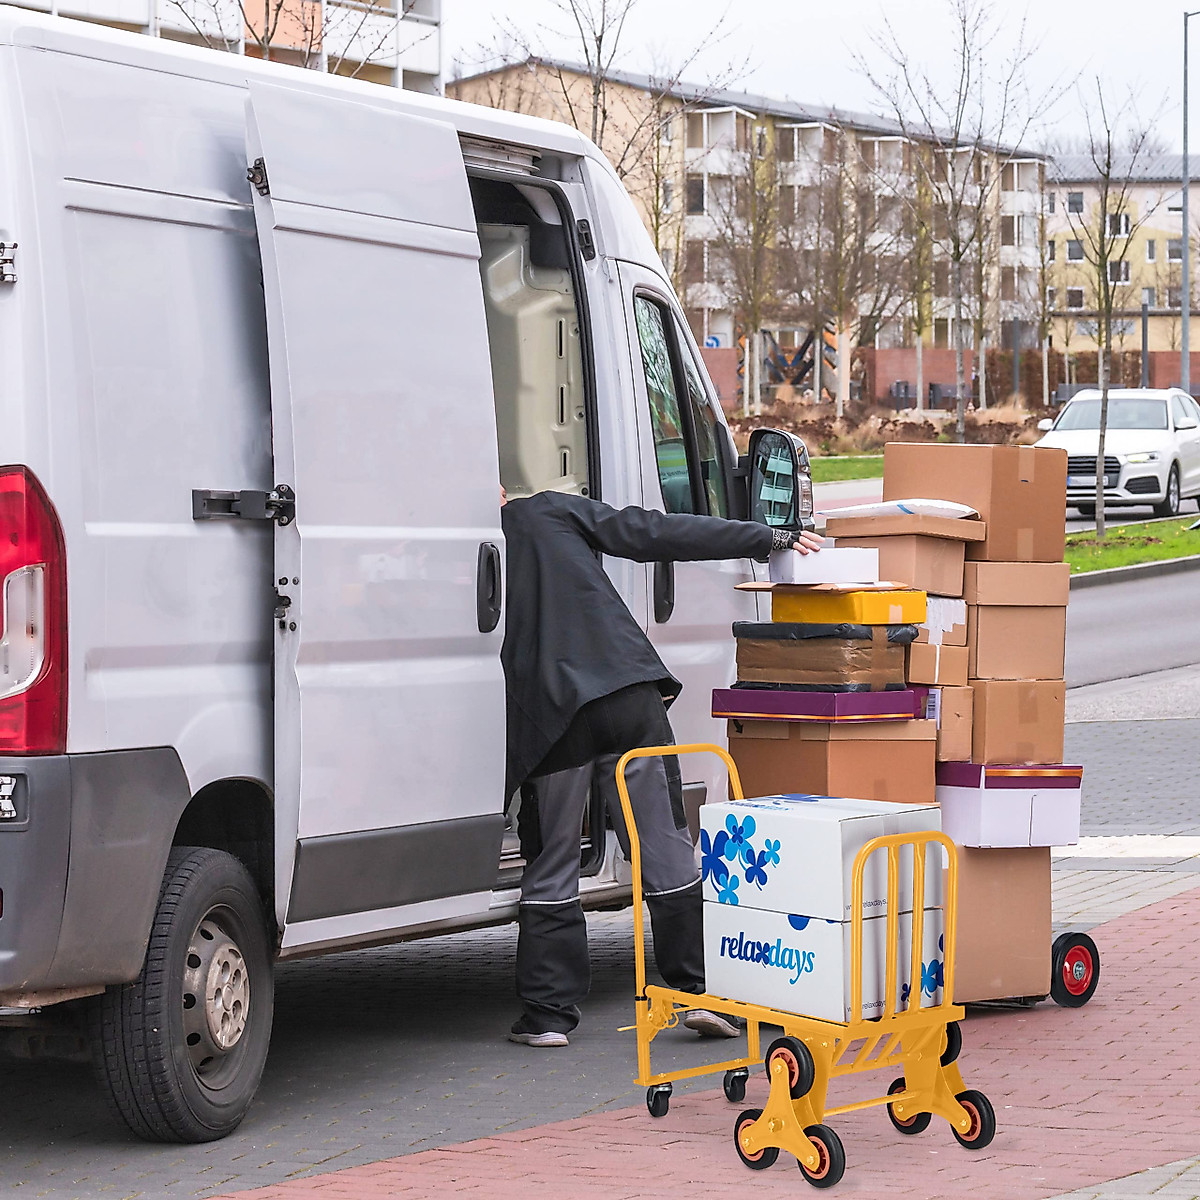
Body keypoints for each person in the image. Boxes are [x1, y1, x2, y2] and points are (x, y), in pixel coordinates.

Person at [500, 487, 822, 1047]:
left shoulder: (452, 547)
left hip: (552, 711)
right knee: (665, 848)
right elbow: (653, 531)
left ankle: (549, 1015)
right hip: (628, 692)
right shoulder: (545, 510)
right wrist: (766, 536)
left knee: (553, 856)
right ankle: (700, 991)